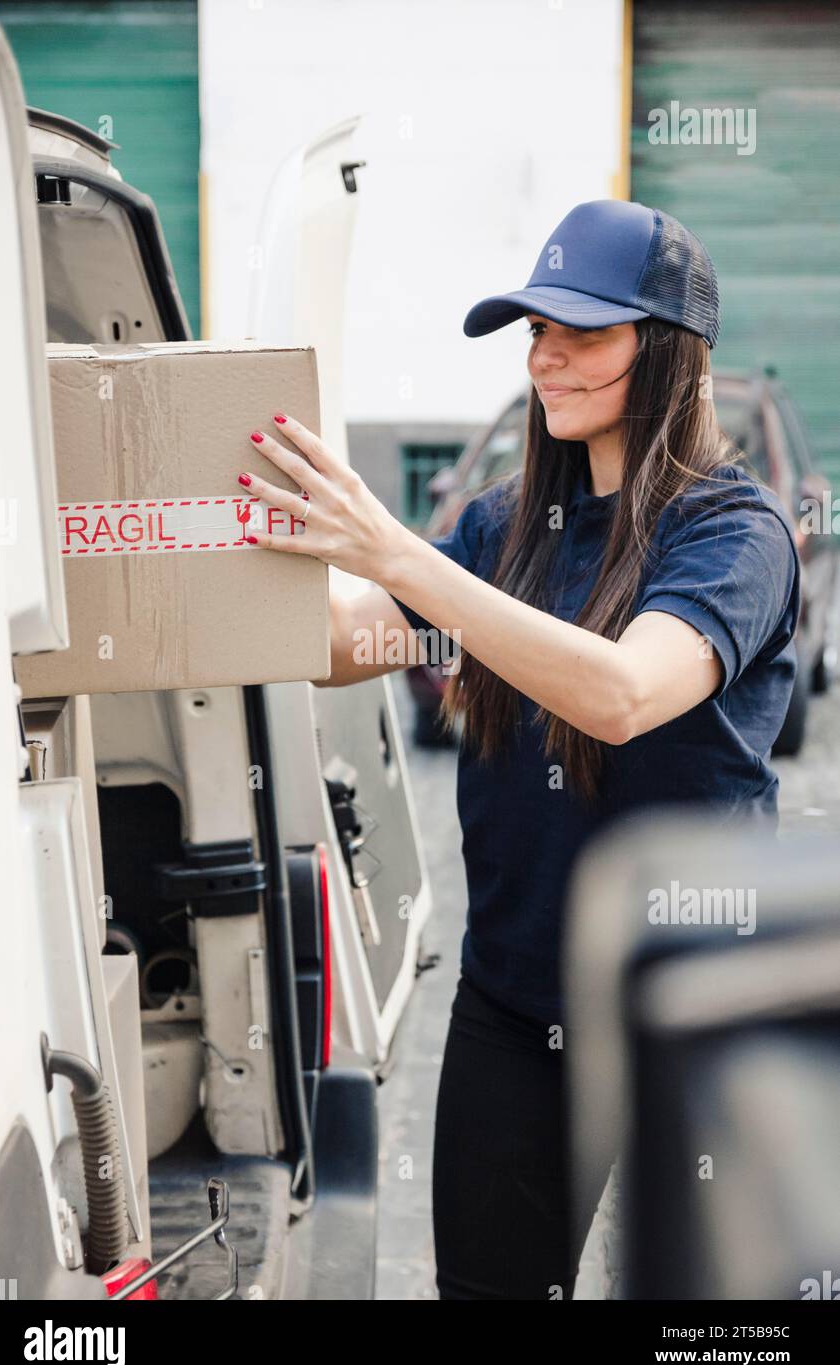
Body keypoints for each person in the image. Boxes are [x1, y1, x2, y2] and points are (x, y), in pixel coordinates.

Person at [237, 199, 801, 1299]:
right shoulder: (503, 526)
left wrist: (398, 550)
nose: (545, 354)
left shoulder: (736, 534)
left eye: (582, 330)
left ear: (667, 352)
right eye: (533, 328)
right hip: (515, 1002)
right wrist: (198, 585)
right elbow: (355, 641)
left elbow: (624, 692)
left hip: (689, 1010)